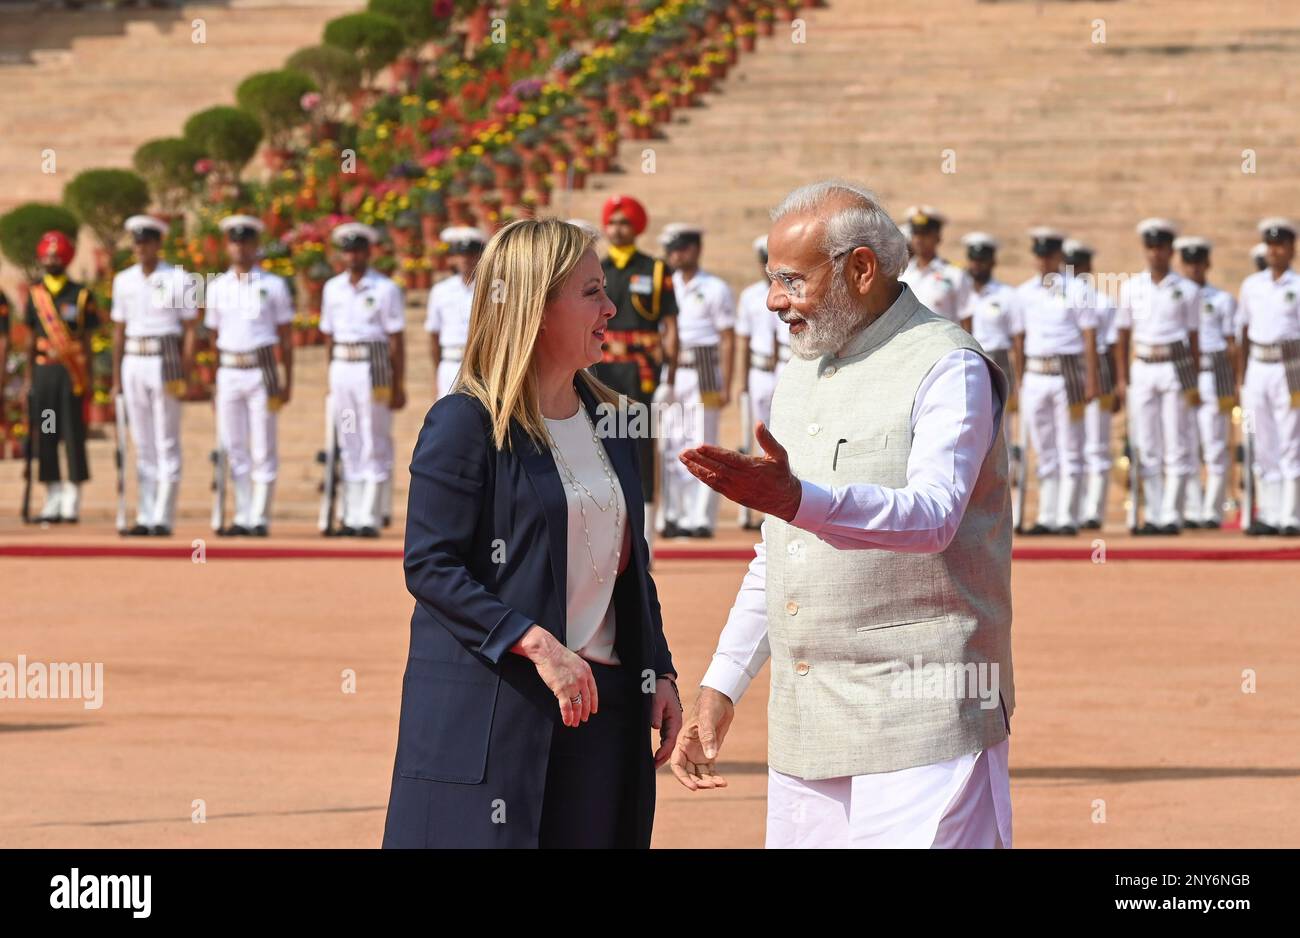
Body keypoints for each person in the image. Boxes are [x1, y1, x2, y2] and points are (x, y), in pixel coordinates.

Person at [670, 180, 1015, 849]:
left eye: (791, 280)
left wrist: (798, 500)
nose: (774, 301)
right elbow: (780, 549)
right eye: (769, 280)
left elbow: (934, 516)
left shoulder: (948, 365)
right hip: (809, 725)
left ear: (860, 269)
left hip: (925, 721)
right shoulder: (799, 370)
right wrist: (722, 682)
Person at [382, 219, 681, 848]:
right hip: (500, 716)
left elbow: (630, 567)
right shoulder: (466, 422)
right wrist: (536, 645)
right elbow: (431, 564)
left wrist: (660, 671)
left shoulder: (615, 421)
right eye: (592, 292)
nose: (611, 308)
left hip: (603, 716)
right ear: (535, 306)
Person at [589, 195, 679, 525]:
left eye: (624, 222)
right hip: (601, 369)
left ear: (637, 227)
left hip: (641, 373)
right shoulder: (595, 268)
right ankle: (604, 523)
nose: (617, 229)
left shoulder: (654, 269)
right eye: (612, 222)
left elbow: (670, 325)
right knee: (599, 441)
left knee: (640, 445)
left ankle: (646, 532)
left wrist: (669, 379)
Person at [204, 215, 294, 536]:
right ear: (227, 246)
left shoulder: (273, 285)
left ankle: (260, 515)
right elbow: (213, 339)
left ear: (256, 245)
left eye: (246, 242)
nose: (240, 248)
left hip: (263, 369)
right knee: (234, 446)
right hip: (229, 369)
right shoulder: (217, 287)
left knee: (263, 445)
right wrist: (214, 382)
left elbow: (285, 335)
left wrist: (288, 380)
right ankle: (242, 513)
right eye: (234, 241)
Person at [110, 214, 197, 536]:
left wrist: (186, 371)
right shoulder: (123, 280)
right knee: (142, 441)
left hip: (166, 358)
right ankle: (145, 514)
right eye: (136, 242)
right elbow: (118, 331)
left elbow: (190, 329)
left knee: (166, 438)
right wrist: (117, 376)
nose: (140, 248)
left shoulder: (180, 278)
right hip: (134, 357)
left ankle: (164, 514)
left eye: (146, 242)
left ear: (159, 244)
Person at [1115, 218, 1202, 535]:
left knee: (1176, 441)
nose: (1156, 253)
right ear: (1145, 250)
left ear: (1170, 251)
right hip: (1143, 363)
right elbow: (1123, 337)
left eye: (1161, 248)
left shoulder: (1187, 290)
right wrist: (1122, 378)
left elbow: (1194, 340)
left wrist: (1194, 379)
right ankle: (1153, 511)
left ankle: (1171, 513)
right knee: (1146, 443)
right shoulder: (1131, 287)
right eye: (1151, 247)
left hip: (1175, 366)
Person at [321, 222, 407, 537]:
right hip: (343, 366)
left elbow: (396, 340)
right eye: (347, 250)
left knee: (374, 437)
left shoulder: (385, 288)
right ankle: (352, 513)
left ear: (368, 252)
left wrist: (398, 383)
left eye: (358, 250)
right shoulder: (332, 288)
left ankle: (370, 513)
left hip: (374, 369)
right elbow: (328, 337)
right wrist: (328, 377)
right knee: (349, 438)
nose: (352, 256)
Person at [1013, 228, 1100, 535]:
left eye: (1049, 255)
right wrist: (1021, 380)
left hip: (1068, 374)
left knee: (1070, 445)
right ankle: (1047, 514)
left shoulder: (1078, 289)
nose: (1043, 261)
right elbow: (1019, 340)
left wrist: (1091, 379)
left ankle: (1067, 515)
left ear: (1059, 257)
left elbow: (1090, 336)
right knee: (1043, 448)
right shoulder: (1023, 293)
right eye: (1039, 255)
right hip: (1036, 374)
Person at [656, 223, 735, 538]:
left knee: (703, 442)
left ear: (696, 249)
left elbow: (727, 338)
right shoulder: (666, 285)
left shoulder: (715, 288)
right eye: (672, 249)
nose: (676, 255)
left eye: (682, 248)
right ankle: (672, 514)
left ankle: (700, 517)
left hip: (704, 368)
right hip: (673, 368)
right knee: (670, 442)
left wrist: (726, 383)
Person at [23, 230, 100, 523]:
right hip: (45, 375)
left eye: (57, 254)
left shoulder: (80, 294)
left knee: (72, 434)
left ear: (66, 258)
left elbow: (89, 340)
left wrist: (89, 377)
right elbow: (30, 340)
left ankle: (72, 496)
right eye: (47, 254)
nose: (51, 259)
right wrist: (29, 379)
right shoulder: (35, 295)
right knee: (48, 432)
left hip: (71, 375)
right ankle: (52, 494)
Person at [1237, 217, 1300, 536]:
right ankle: (1271, 512)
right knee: (1263, 440)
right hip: (1258, 365)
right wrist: (1241, 377)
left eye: (1281, 245)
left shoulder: (1298, 286)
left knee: (1291, 439)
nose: (1275, 251)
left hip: (1289, 365)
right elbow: (1243, 332)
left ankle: (1291, 513)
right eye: (1270, 245)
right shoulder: (1252, 286)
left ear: (1292, 249)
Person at [1175, 236, 1236, 529]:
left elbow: (1231, 343)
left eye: (1198, 263)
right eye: (1188, 263)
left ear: (1207, 264)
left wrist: (1234, 383)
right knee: (1184, 442)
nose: (1193, 269)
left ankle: (1212, 509)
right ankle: (1191, 507)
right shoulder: (1175, 296)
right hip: (1184, 372)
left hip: (1214, 372)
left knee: (1215, 444)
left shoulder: (1221, 299)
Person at [1064, 239, 1120, 530]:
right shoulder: (1061, 298)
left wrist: (1111, 385)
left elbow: (1110, 346)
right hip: (1071, 371)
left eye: (1079, 266)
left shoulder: (1103, 300)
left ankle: (1093, 509)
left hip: (1099, 369)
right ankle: (1074, 506)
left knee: (1096, 443)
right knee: (1073, 443)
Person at [958, 232, 1019, 448]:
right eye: (974, 260)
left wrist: (1019, 381)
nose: (977, 265)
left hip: (998, 361)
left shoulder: (1008, 295)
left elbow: (1018, 339)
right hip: (965, 360)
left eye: (982, 260)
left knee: (1001, 430)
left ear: (992, 261)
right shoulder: (959, 292)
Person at [424, 226, 484, 401]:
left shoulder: (490, 289)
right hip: (450, 362)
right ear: (453, 259)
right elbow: (434, 335)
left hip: (480, 365)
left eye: (471, 254)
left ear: (480, 256)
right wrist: (437, 372)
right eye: (461, 255)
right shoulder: (441, 290)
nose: (466, 260)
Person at [899, 205, 969, 325]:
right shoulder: (903, 274)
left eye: (925, 234)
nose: (919, 239)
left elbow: (965, 319)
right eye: (916, 233)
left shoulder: (954, 275)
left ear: (937, 237)